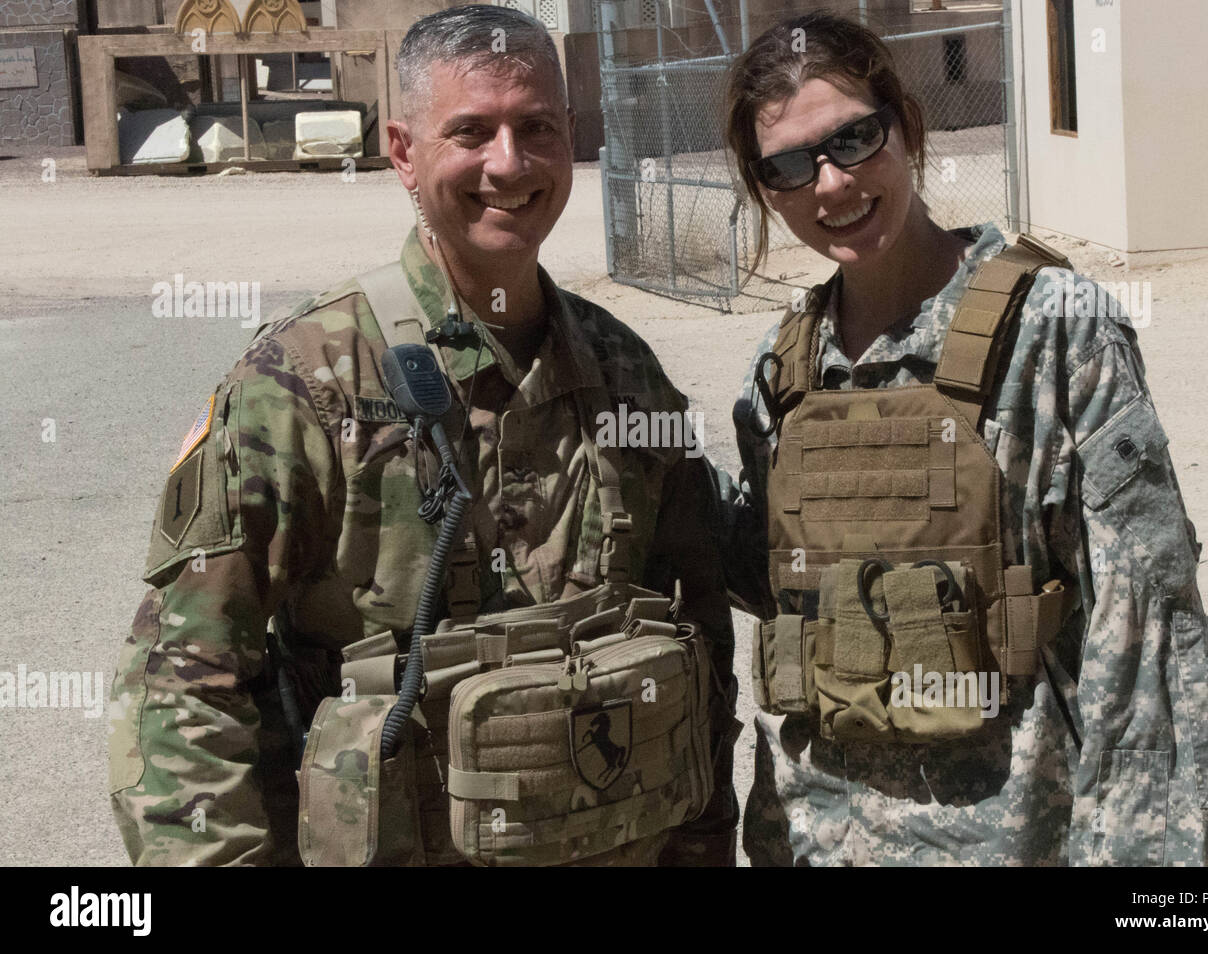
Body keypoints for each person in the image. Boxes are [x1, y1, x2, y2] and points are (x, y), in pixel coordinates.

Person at [108, 5, 738, 866]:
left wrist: (702, 846)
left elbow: (697, 635)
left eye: (537, 128)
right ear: (404, 151)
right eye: (471, 131)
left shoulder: (625, 374)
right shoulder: (302, 385)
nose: (508, 164)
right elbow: (181, 686)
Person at [714, 12, 1208, 866]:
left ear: (906, 126)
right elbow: (754, 585)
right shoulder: (781, 373)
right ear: (766, 188)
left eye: (854, 138)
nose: (832, 185)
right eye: (791, 166)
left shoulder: (1056, 333)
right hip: (819, 838)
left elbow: (1144, 640)